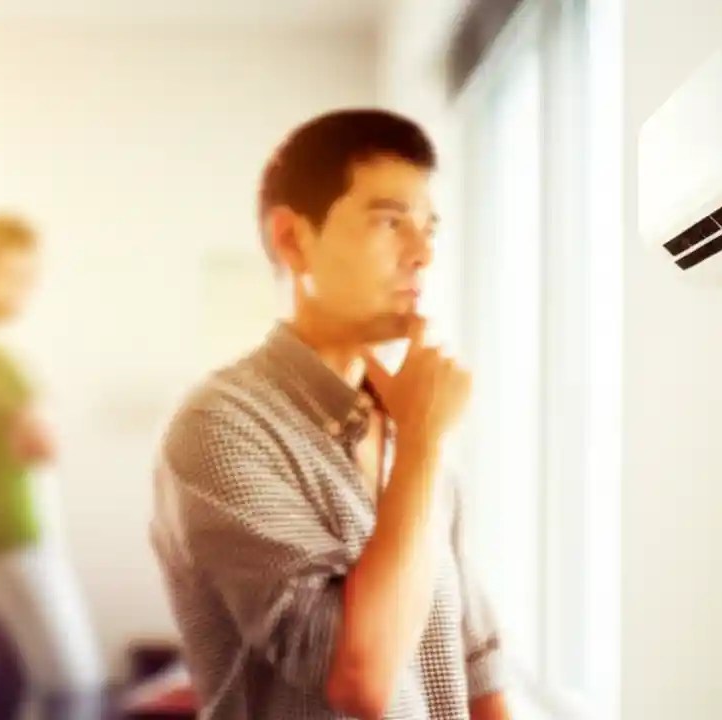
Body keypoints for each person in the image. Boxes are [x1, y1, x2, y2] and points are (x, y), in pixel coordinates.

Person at [150, 110, 510, 719]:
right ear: (293, 239)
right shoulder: (218, 430)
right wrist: (421, 445)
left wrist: (416, 442)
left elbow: (476, 665)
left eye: (428, 228)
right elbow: (359, 680)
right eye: (390, 222)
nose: (423, 253)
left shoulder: (408, 424)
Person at [0, 214, 103, 720]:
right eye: (10, 275)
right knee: (75, 683)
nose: (22, 289)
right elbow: (42, 443)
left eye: (29, 276)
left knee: (1, 689)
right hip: (12, 535)